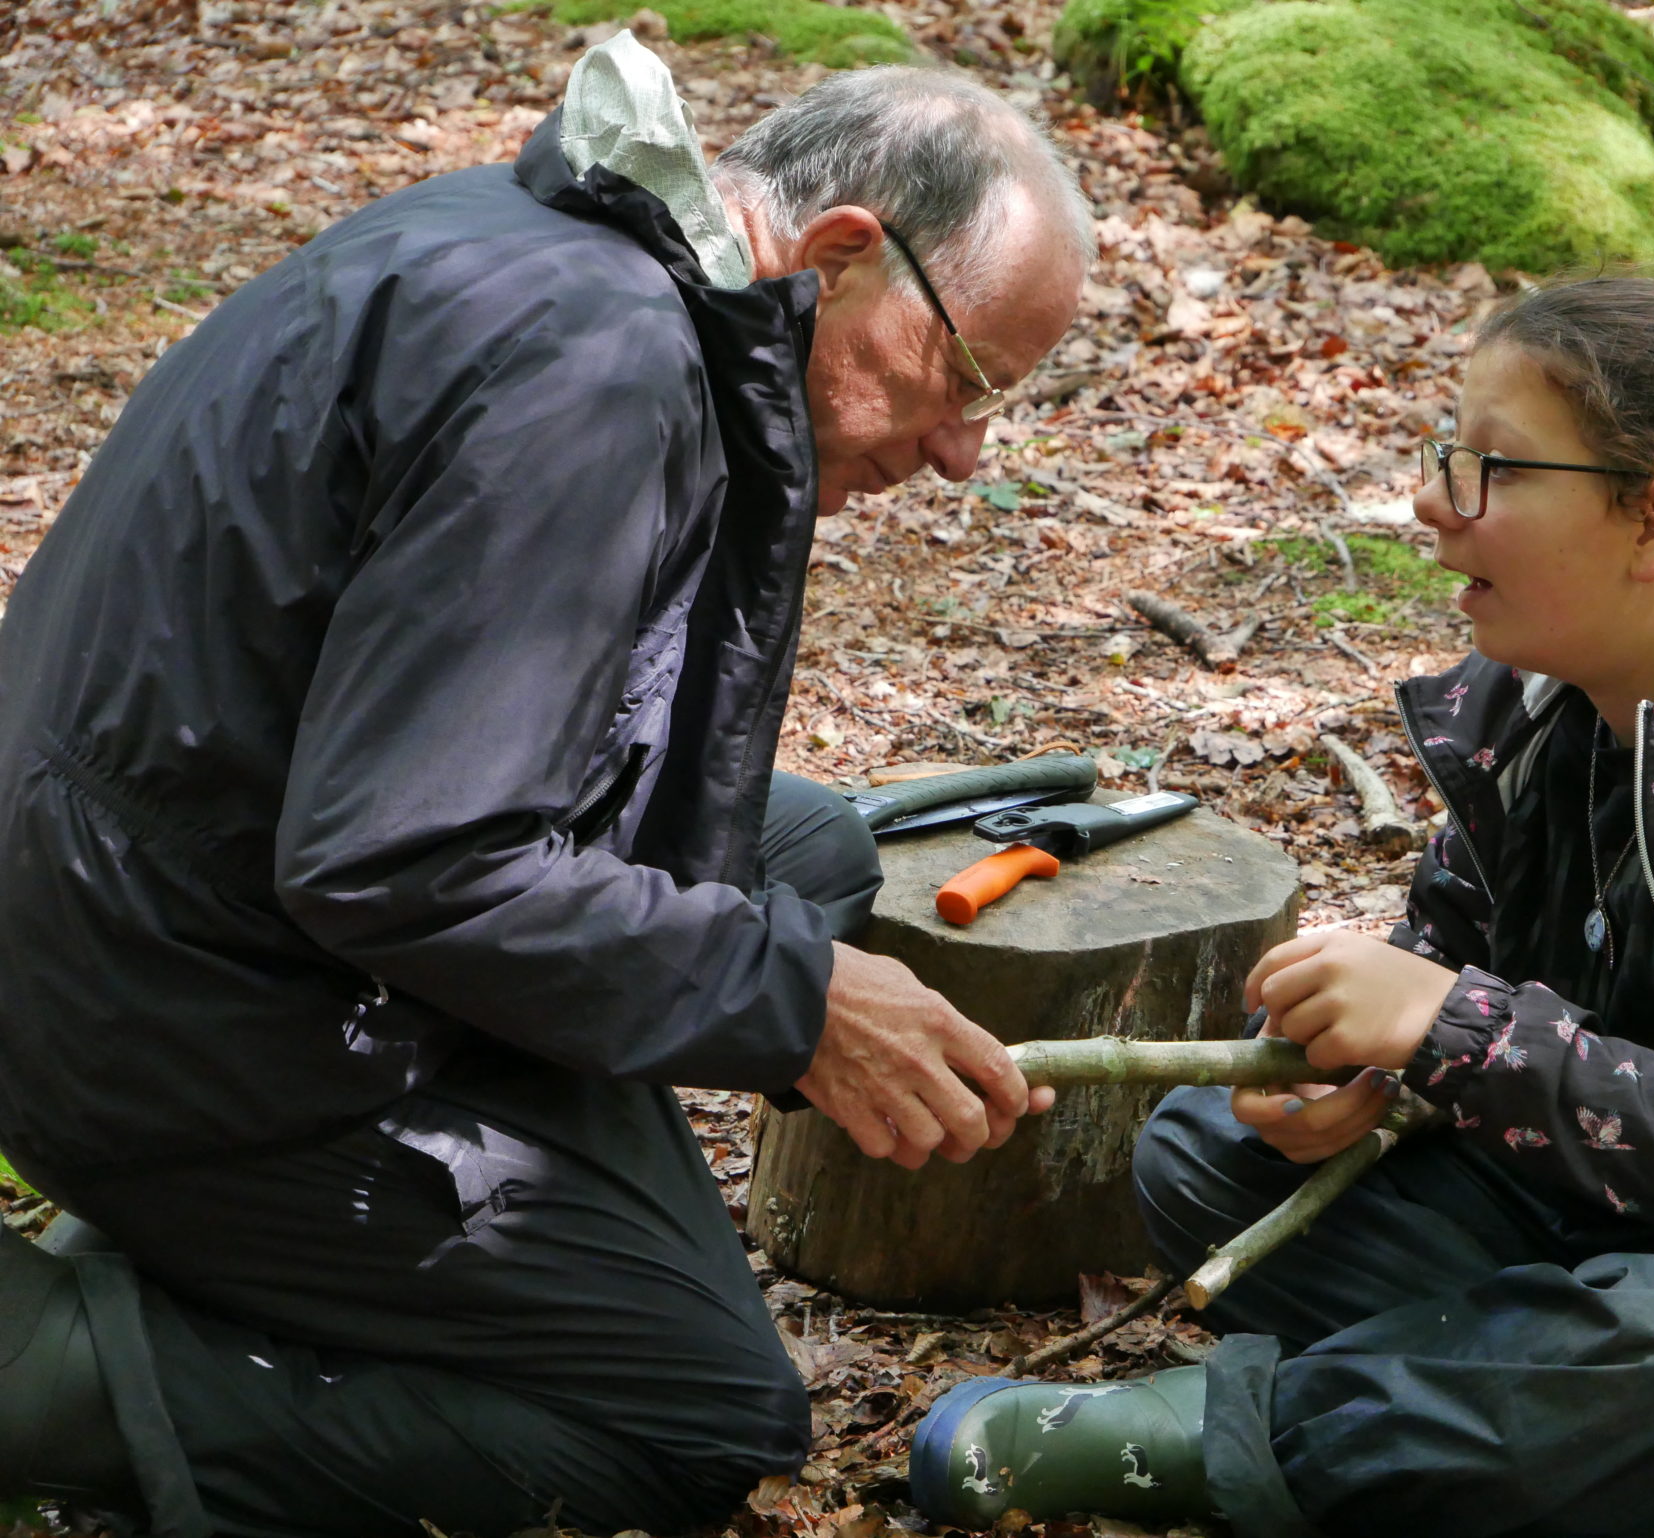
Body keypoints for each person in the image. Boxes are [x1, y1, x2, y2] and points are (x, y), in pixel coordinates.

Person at [0, 33, 1091, 1538]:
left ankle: (338, 1233)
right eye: (967, 374)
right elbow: (406, 857)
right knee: (699, 1412)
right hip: (163, 1006)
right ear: (844, 253)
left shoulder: (554, 249)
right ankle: (50, 1363)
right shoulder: (597, 372)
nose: (969, 450)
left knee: (813, 849)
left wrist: (758, 963)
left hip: (141, 883)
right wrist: (797, 1004)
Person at [910, 276, 1654, 1537]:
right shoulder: (1544, 698)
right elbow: (1446, 971)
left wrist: (1445, 1029)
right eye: (1447, 455)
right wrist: (1346, 1080)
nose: (1431, 502)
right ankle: (1521, 1414)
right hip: (1607, 1231)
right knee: (1203, 1151)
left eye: (1490, 469)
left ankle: (1227, 1436)